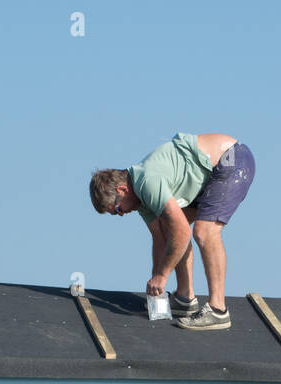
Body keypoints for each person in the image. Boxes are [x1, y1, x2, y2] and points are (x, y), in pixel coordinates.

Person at [90, 132, 255, 330]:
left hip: (231, 158)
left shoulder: (146, 182)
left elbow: (183, 232)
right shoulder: (141, 201)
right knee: (168, 227)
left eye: (117, 210)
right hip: (209, 175)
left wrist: (162, 275)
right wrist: (156, 291)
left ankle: (218, 310)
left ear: (122, 190)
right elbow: (160, 239)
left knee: (204, 232)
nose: (122, 214)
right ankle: (185, 298)